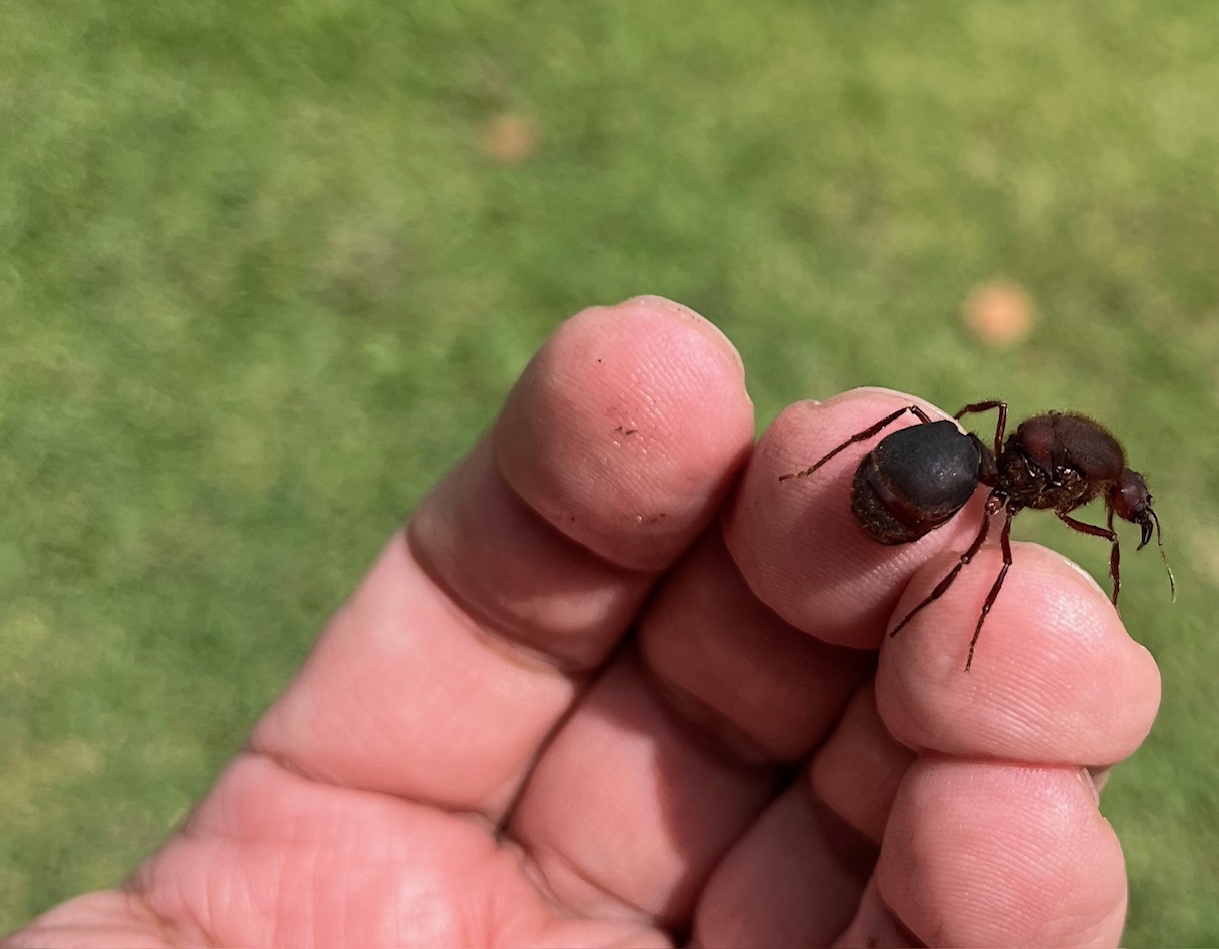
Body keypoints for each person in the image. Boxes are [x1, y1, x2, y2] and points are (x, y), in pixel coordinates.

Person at [4, 296, 1160, 948]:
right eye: (1112, 503)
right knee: (981, 587)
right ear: (1082, 488)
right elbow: (991, 458)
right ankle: (903, 553)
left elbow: (990, 433)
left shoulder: (1014, 457)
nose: (1107, 514)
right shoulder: (1010, 487)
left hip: (928, 472)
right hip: (922, 480)